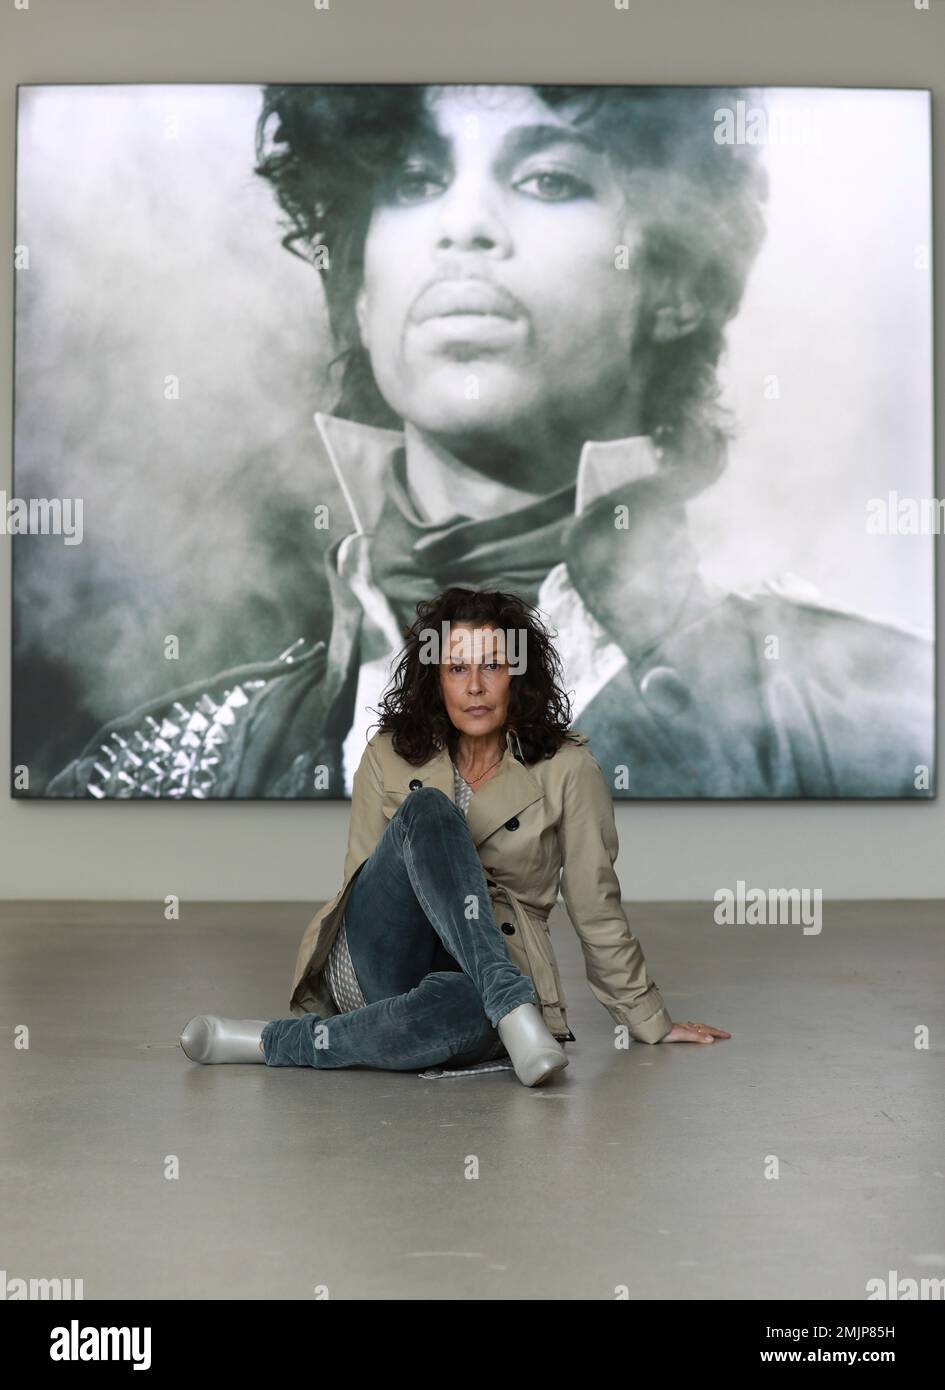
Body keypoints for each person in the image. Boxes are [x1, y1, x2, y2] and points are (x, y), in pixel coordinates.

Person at [43, 82, 933, 799]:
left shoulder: (877, 721)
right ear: (356, 288)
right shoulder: (166, 770)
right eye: (411, 180)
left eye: (548, 180)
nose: (462, 224)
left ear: (673, 286)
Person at [179, 588, 730, 1087]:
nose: (474, 687)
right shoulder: (387, 755)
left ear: (519, 675)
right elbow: (364, 883)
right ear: (433, 677)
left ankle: (265, 1042)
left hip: (481, 972)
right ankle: (513, 1008)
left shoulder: (567, 769)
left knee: (466, 1005)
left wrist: (648, 1019)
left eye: (492, 665)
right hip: (384, 957)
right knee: (427, 810)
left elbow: (595, 903)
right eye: (456, 668)